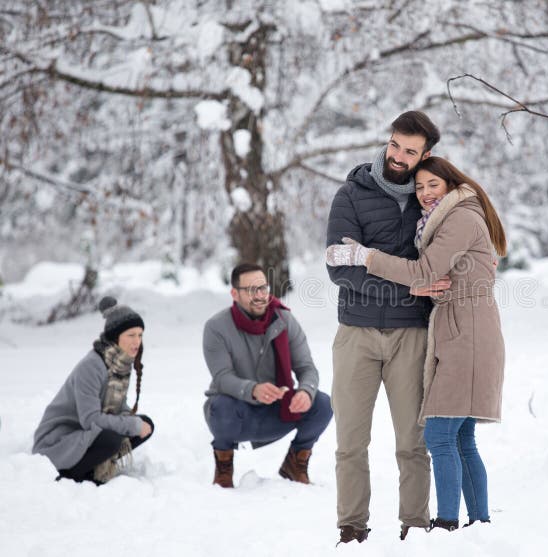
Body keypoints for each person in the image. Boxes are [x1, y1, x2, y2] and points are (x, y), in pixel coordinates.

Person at [326, 156, 506, 531]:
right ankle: (480, 525)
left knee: (439, 435)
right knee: (460, 437)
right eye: (419, 187)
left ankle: (443, 525)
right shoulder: (447, 218)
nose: (424, 194)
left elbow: (424, 272)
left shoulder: (458, 218)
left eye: (433, 186)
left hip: (465, 333)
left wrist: (365, 256)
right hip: (458, 329)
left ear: (451, 184)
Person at [326, 110, 452, 544]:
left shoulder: (433, 198)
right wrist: (410, 289)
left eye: (410, 151)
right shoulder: (351, 195)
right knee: (350, 442)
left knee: (412, 443)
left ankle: (415, 528)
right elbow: (341, 269)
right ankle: (351, 530)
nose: (399, 156)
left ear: (426, 154)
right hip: (356, 335)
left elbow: (443, 262)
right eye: (395, 145)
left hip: (411, 337)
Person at [202, 263, 332, 488]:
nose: (261, 295)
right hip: (238, 412)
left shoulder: (284, 320)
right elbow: (222, 377)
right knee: (218, 406)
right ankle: (224, 467)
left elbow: (307, 368)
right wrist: (253, 390)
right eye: (252, 290)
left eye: (264, 287)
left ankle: (296, 462)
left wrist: (305, 392)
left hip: (278, 409)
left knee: (322, 404)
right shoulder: (216, 327)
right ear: (235, 293)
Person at [33, 297, 154, 484]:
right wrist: (131, 425)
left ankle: (92, 465)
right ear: (116, 336)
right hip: (59, 441)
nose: (137, 342)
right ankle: (73, 474)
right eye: (131, 335)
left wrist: (133, 422)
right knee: (113, 438)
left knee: (145, 424)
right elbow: (90, 419)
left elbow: (119, 406)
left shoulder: (120, 364)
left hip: (84, 434)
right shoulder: (92, 366)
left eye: (140, 335)